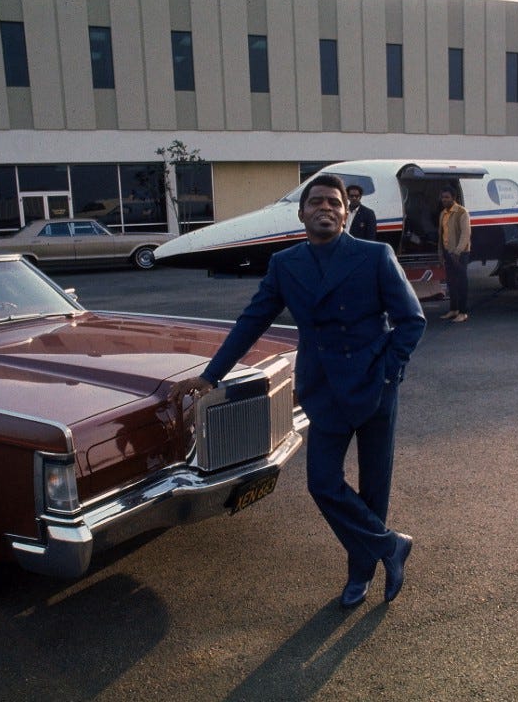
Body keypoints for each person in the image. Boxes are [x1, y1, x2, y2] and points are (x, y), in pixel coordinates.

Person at [170, 174, 426, 608]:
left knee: (374, 487)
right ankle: (388, 546)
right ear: (302, 213)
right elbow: (253, 321)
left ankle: (360, 575)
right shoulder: (286, 264)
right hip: (324, 391)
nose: (325, 207)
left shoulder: (376, 256)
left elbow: (411, 321)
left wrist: (387, 374)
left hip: (374, 390)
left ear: (347, 213)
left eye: (334, 202)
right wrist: (212, 375)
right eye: (317, 202)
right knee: (322, 483)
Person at [438, 189, 471, 323]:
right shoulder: (443, 214)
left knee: (461, 282)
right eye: (442, 197)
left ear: (454, 198)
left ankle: (463, 312)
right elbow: (441, 234)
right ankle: (454, 309)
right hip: (448, 252)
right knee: (451, 282)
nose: (444, 200)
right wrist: (441, 253)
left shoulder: (462, 212)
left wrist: (457, 252)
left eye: (447, 197)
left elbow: (465, 234)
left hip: (459, 253)